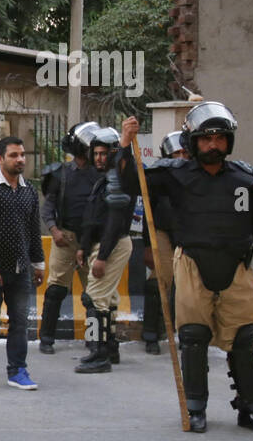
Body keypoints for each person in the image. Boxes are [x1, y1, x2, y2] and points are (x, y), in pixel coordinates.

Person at [119, 105, 253, 436]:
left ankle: (250, 406)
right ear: (193, 142)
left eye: (220, 138)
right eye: (206, 139)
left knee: (244, 338)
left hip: (237, 267)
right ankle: (195, 406)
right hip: (192, 265)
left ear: (229, 141)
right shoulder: (175, 174)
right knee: (193, 336)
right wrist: (124, 144)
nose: (213, 145)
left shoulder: (245, 180)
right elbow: (132, 182)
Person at [0, 135, 44, 389]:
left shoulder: (29, 191)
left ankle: (17, 370)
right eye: (14, 155)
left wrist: (38, 263)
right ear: (0, 158)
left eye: (22, 155)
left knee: (20, 321)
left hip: (21, 268)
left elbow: (34, 230)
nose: (20, 159)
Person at [73, 127, 133, 374]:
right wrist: (84, 248)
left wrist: (103, 257)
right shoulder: (104, 181)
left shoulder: (116, 181)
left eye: (104, 153)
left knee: (94, 299)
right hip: (102, 244)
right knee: (107, 300)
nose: (99, 158)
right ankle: (109, 348)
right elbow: (92, 219)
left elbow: (114, 223)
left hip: (112, 244)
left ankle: (97, 354)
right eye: (96, 153)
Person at [38, 121, 101, 353]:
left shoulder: (101, 174)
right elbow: (48, 208)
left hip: (93, 240)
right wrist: (54, 231)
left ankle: (94, 340)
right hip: (66, 238)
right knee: (56, 290)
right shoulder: (60, 174)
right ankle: (46, 339)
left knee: (94, 294)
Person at [140, 131, 187, 355]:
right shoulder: (158, 176)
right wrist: (148, 246)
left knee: (188, 285)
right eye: (176, 153)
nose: (181, 157)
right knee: (160, 279)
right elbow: (147, 211)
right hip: (161, 231)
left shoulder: (197, 174)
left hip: (187, 235)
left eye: (185, 152)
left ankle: (186, 333)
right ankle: (151, 333)